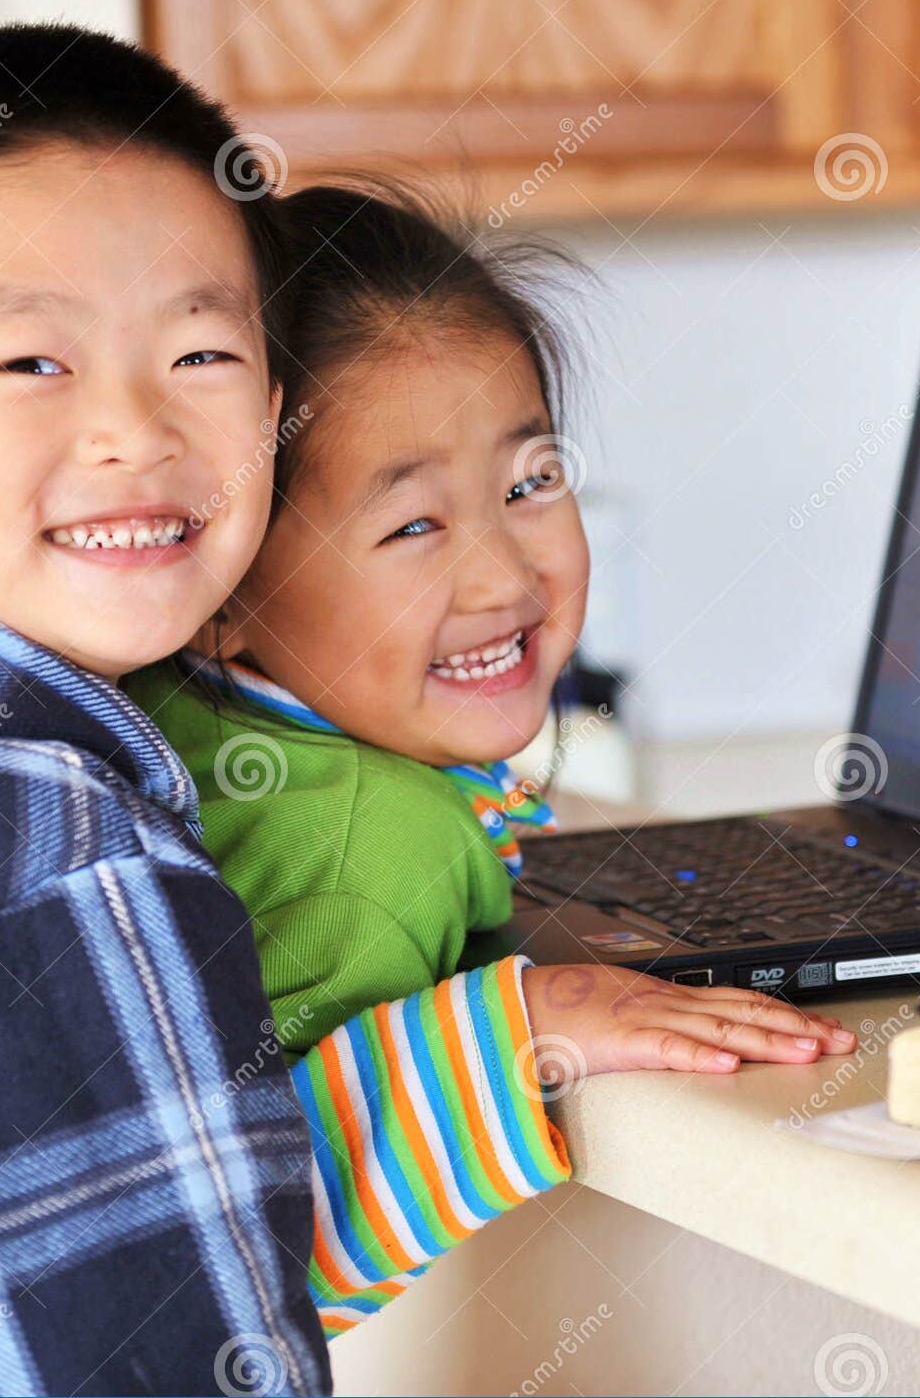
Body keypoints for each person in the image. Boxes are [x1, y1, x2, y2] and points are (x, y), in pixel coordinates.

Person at [0, 27, 551, 1394]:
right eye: (34, 363)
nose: (133, 431)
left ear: (270, 412)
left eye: (200, 355)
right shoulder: (30, 866)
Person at [128, 183, 858, 1328]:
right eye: (412, 525)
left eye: (530, 484)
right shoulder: (374, 856)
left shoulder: (196, 711)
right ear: (221, 586)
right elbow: (238, 1241)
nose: (504, 579)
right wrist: (527, 1027)